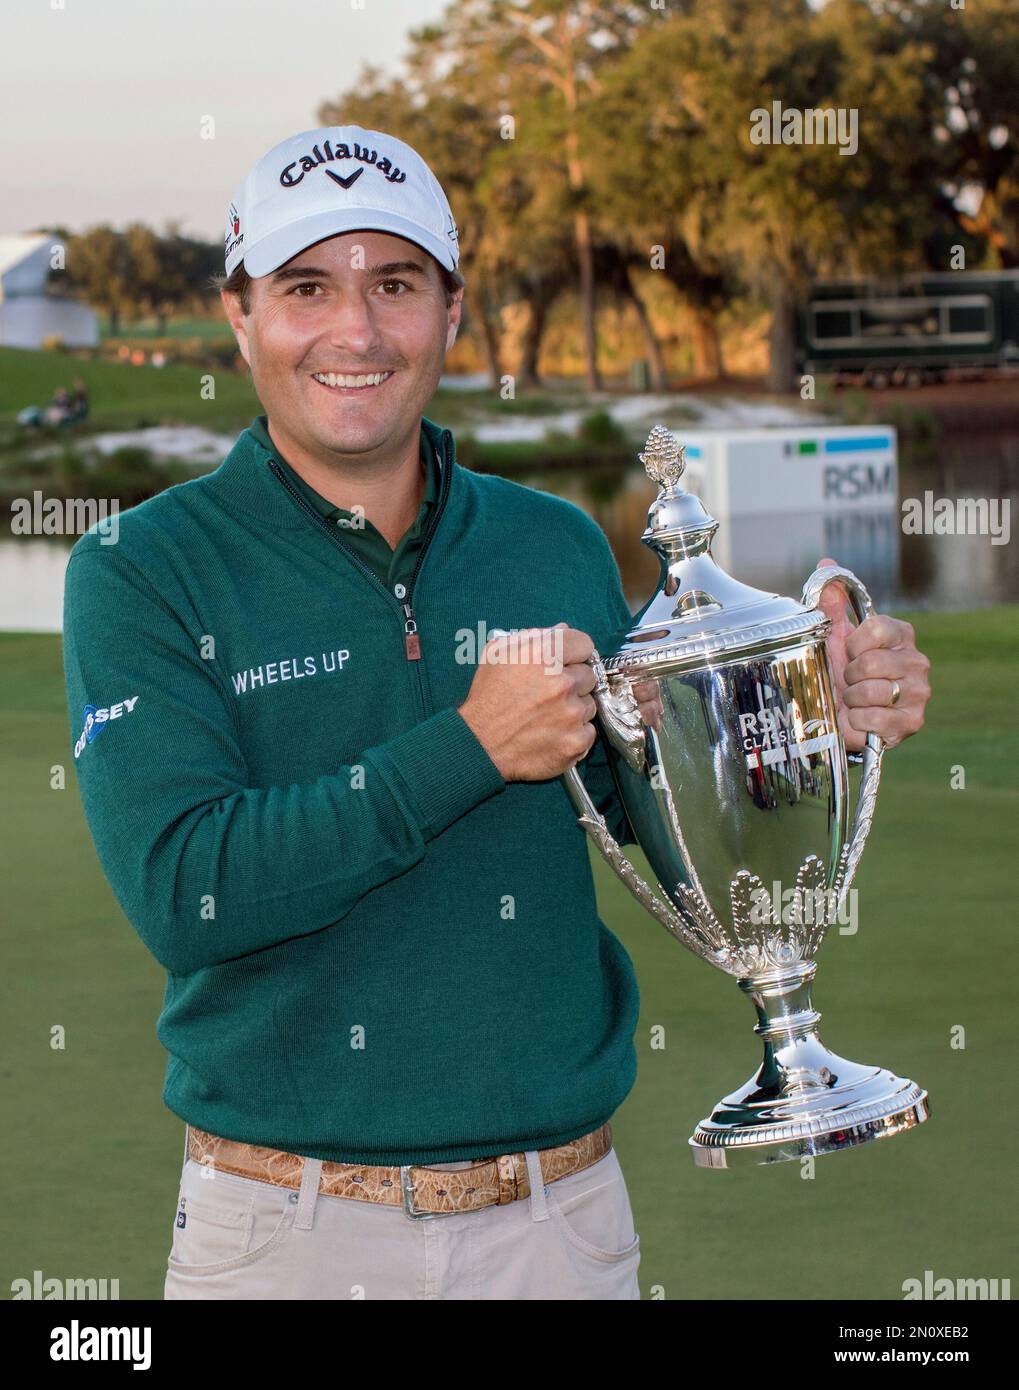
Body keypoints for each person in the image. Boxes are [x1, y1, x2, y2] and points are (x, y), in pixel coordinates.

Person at [62, 124, 932, 1302]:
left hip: (559, 1226)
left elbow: (656, 811)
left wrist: (802, 708)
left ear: (452, 313)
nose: (356, 332)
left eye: (396, 285)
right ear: (240, 316)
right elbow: (185, 891)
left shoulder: (552, 541)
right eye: (306, 287)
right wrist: (467, 748)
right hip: (286, 1235)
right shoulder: (138, 566)